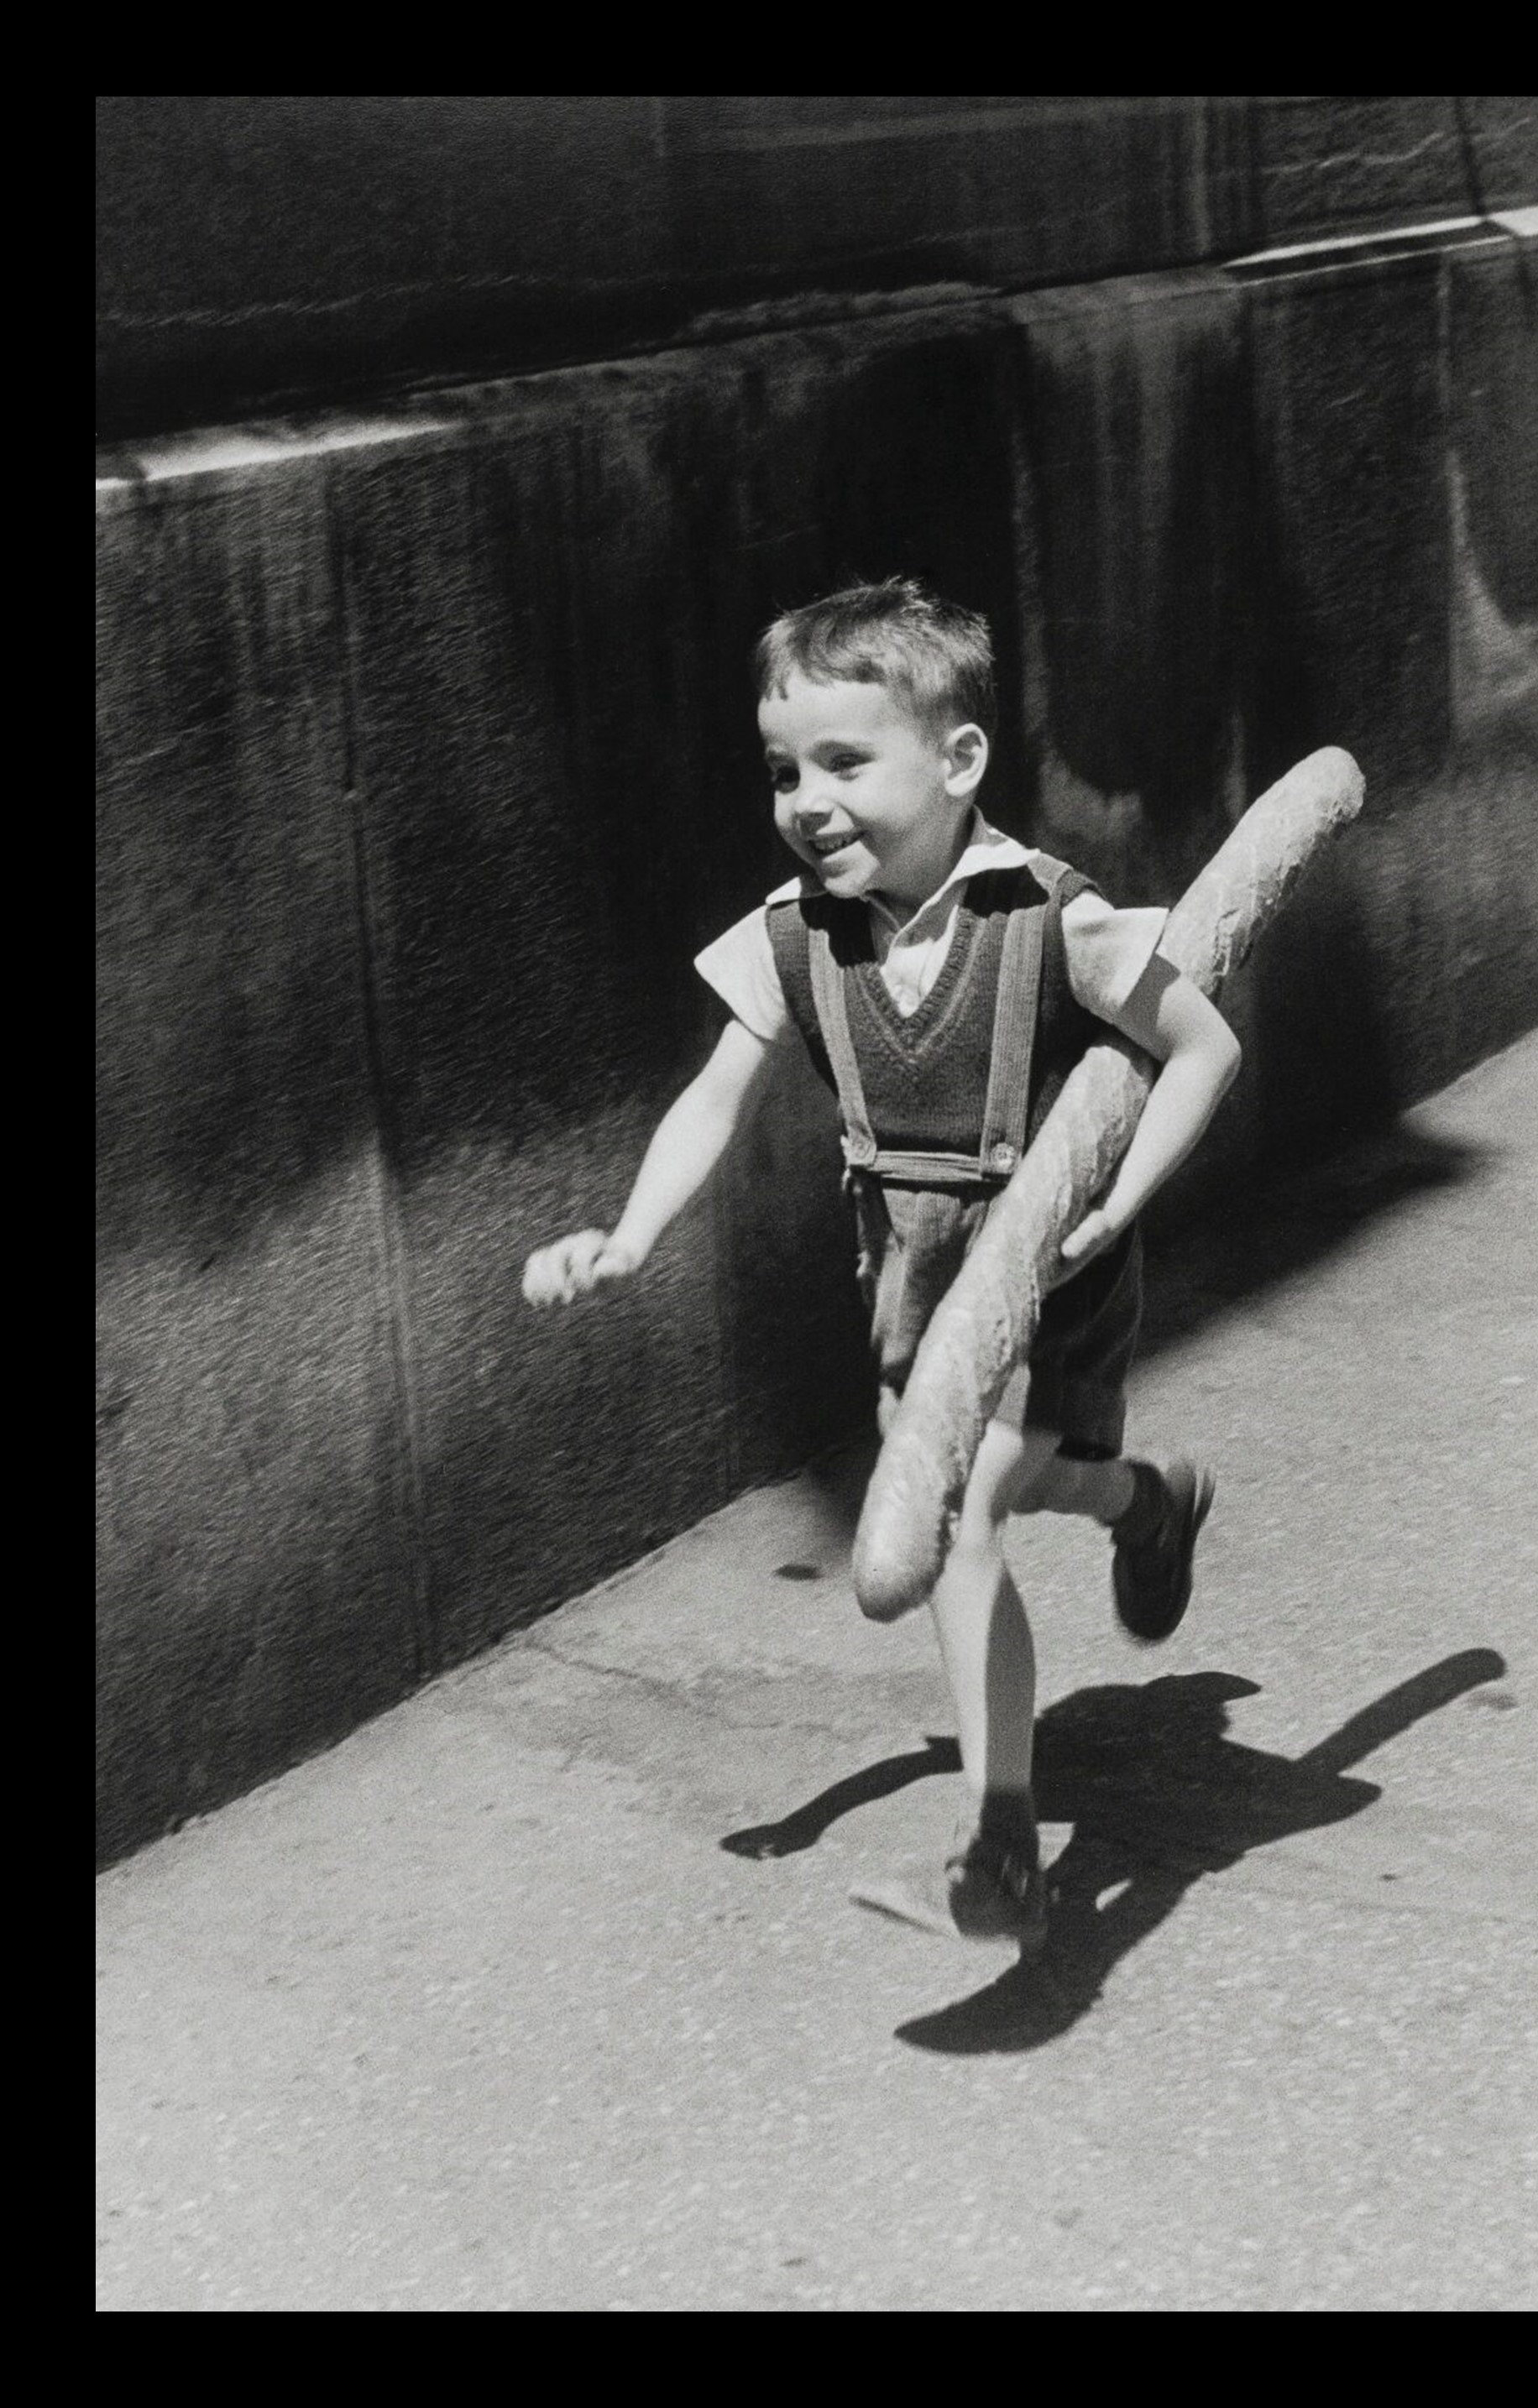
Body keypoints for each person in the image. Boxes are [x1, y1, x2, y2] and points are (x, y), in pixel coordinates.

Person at [524, 579, 1241, 1948]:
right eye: (784, 768)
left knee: (961, 1521)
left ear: (958, 762)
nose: (807, 798)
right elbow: (714, 1096)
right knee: (1011, 1493)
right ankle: (1147, 1501)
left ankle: (1004, 1853)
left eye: (846, 761)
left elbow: (1203, 1047)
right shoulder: (796, 934)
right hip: (906, 1283)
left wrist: (1119, 1199)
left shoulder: (1048, 917)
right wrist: (629, 1231)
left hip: (1048, 1273)